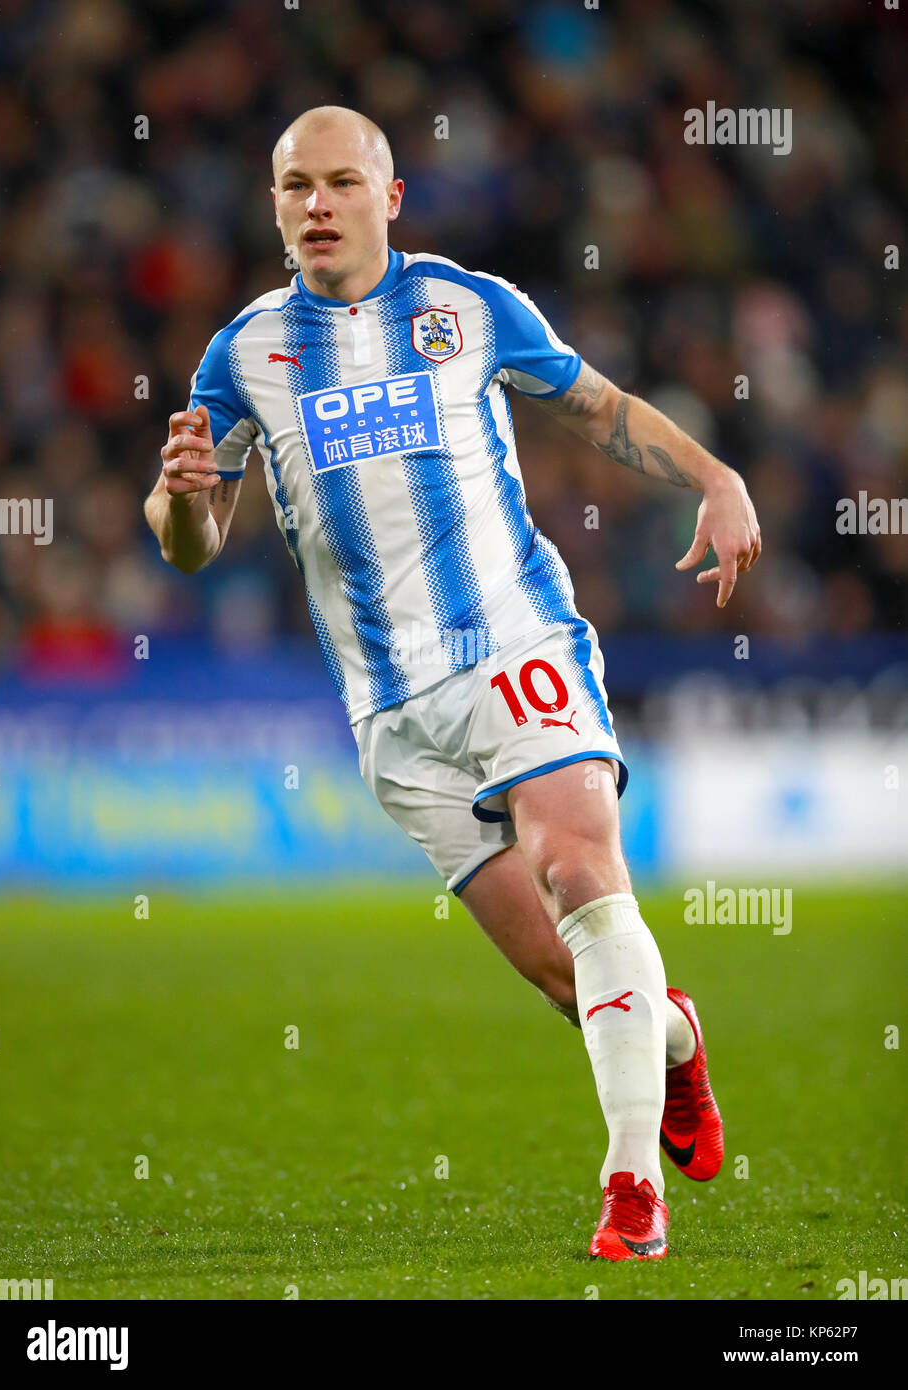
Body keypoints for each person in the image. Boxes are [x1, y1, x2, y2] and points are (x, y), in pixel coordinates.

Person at [144, 105, 761, 1260]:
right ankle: (674, 1043)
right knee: (561, 976)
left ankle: (630, 1186)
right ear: (274, 206)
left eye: (339, 183)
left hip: (515, 641)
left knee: (580, 865)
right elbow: (190, 541)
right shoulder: (242, 354)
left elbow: (598, 408)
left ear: (391, 197)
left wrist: (715, 474)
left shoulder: (465, 307)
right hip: (391, 712)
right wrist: (180, 492)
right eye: (293, 188)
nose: (316, 205)